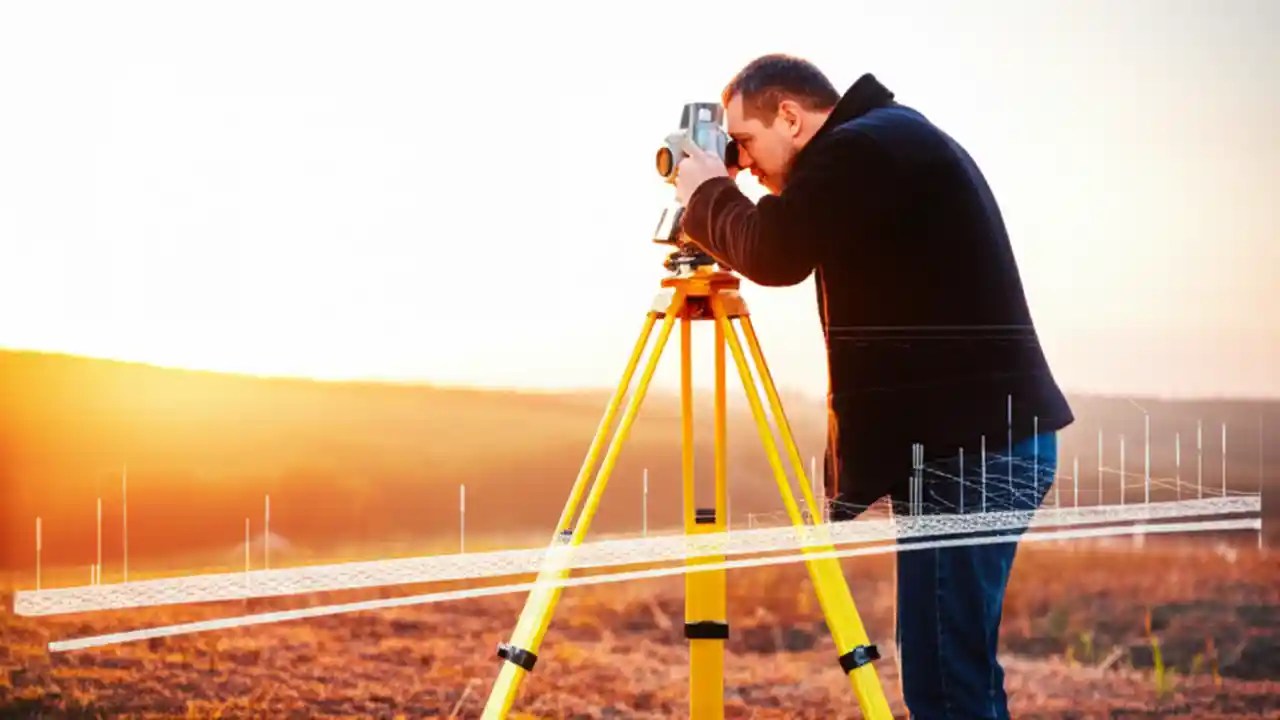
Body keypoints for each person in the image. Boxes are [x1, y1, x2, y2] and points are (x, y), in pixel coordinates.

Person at [674, 54, 1075, 719]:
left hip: (970, 450)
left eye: (743, 142)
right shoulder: (889, 137)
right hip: (980, 442)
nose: (742, 164)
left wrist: (706, 193)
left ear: (792, 118)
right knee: (957, 671)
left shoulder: (862, 147)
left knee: (947, 683)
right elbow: (785, 237)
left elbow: (774, 252)